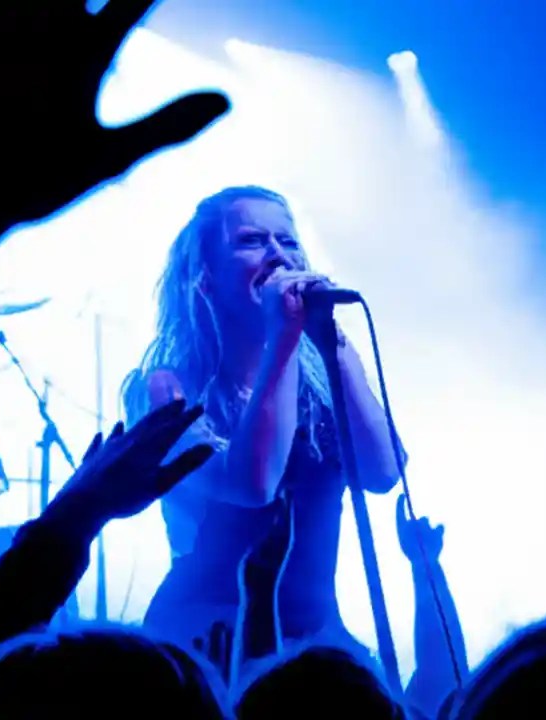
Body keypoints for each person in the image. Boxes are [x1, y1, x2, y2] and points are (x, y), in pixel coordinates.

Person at [123, 186, 404, 651]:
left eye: (288, 241)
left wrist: (332, 344)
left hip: (314, 637)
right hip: (210, 636)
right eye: (252, 241)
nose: (278, 255)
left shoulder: (316, 381)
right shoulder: (168, 389)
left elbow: (383, 472)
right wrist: (284, 338)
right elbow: (252, 487)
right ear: (205, 278)